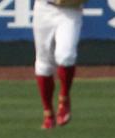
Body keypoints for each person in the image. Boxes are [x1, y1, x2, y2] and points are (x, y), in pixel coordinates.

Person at [34, 0, 85, 130]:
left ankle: (64, 98)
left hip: (70, 10)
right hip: (44, 9)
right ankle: (48, 113)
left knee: (66, 56)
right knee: (43, 64)